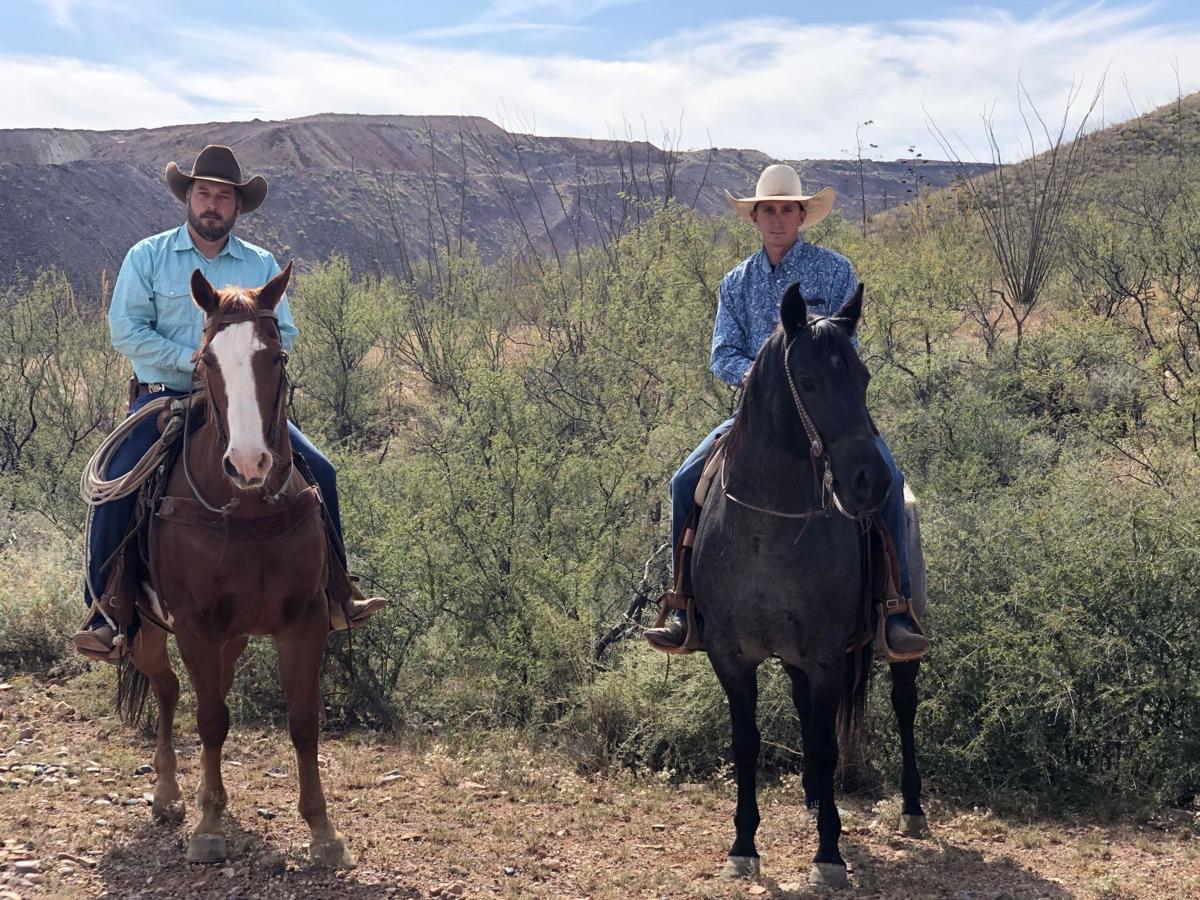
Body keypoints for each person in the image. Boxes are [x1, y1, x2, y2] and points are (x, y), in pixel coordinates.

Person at [74, 145, 385, 658]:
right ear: (188, 199)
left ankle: (337, 593)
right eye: (203, 194)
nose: (212, 204)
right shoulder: (148, 256)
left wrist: (245, 363)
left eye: (223, 196)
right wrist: (197, 362)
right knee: (115, 486)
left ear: (237, 206)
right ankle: (107, 611)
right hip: (164, 399)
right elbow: (125, 330)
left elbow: (284, 331)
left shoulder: (260, 263)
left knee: (322, 471)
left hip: (245, 402)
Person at [644, 164, 928, 656]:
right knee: (684, 482)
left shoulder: (835, 271)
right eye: (768, 210)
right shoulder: (735, 284)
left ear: (802, 216)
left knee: (889, 481)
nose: (778, 219)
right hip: (759, 415)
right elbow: (722, 353)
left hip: (828, 411)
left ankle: (893, 610)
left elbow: (845, 345)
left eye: (787, 209)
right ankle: (684, 606)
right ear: (755, 218)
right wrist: (762, 377)